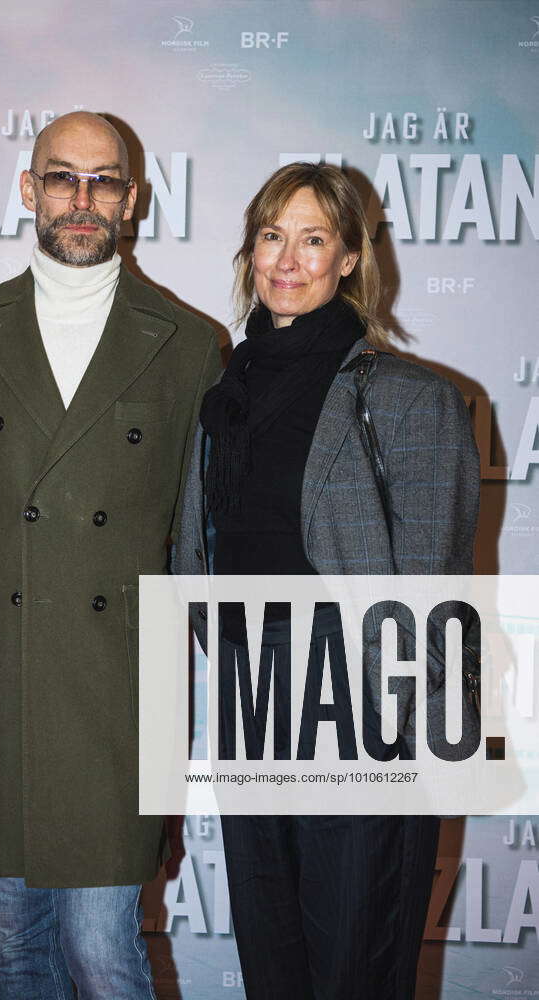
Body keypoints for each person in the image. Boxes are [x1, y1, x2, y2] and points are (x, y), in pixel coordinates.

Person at [0, 111, 221, 999]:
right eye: (62, 177)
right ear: (29, 190)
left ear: (131, 198)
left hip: (120, 684)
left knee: (103, 953)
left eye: (103, 180)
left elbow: (207, 533)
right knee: (17, 945)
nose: (82, 198)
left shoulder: (188, 344)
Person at [174, 162, 480, 998]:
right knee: (270, 956)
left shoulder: (411, 400)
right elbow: (201, 550)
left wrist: (387, 728)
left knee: (354, 960)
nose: (286, 260)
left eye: (312, 240)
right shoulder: (224, 394)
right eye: (271, 235)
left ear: (348, 259)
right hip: (248, 690)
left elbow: (432, 597)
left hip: (354, 694)